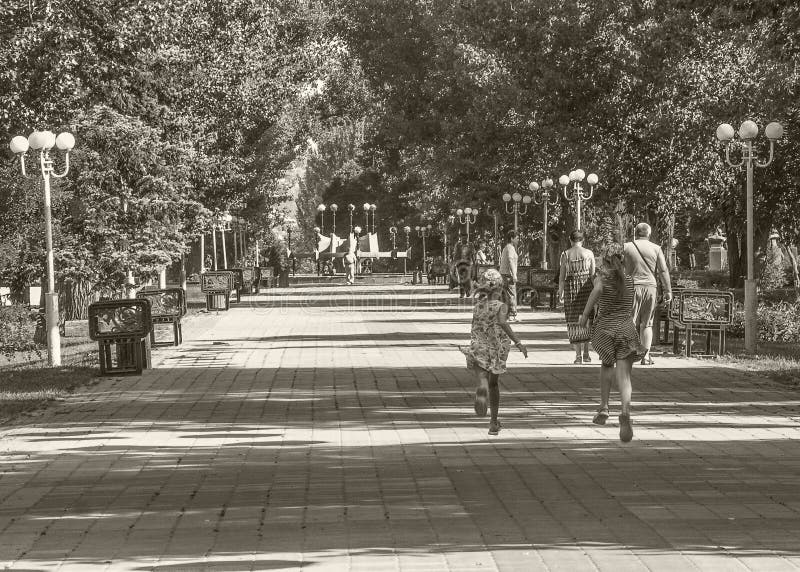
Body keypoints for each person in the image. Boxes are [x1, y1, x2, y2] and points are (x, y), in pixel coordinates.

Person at [579, 246, 646, 442]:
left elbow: (597, 291)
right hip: (625, 328)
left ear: (605, 261)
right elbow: (635, 305)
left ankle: (604, 406)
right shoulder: (631, 281)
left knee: (607, 364)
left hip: (605, 329)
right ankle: (625, 412)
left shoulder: (602, 279)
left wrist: (584, 315)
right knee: (624, 374)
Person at [461, 268, 528, 435]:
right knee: (494, 384)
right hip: (495, 349)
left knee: (482, 378)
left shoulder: (477, 306)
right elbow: (504, 325)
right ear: (500, 289)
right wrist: (518, 342)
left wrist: (473, 344)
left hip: (478, 347)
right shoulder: (501, 306)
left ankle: (481, 391)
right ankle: (493, 422)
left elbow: (474, 326)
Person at [622, 223, 673, 365]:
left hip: (631, 287)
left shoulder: (626, 247)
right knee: (647, 324)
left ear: (635, 233)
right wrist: (668, 290)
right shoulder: (656, 249)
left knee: (630, 322)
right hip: (651, 288)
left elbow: (618, 268)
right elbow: (663, 270)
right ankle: (645, 356)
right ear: (649, 234)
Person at [558, 230, 596, 364]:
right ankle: (586, 353)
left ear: (570, 240)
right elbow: (593, 275)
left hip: (571, 290)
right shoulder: (589, 253)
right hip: (586, 290)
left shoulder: (565, 254)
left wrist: (560, 292)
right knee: (586, 319)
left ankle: (578, 356)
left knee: (574, 321)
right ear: (582, 240)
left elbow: (562, 277)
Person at [499, 229, 520, 322]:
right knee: (511, 295)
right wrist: (514, 275)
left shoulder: (506, 247)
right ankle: (511, 315)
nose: (518, 239)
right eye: (517, 238)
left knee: (505, 296)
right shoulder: (510, 248)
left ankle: (505, 316)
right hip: (508, 275)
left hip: (503, 275)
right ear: (512, 239)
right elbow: (511, 260)